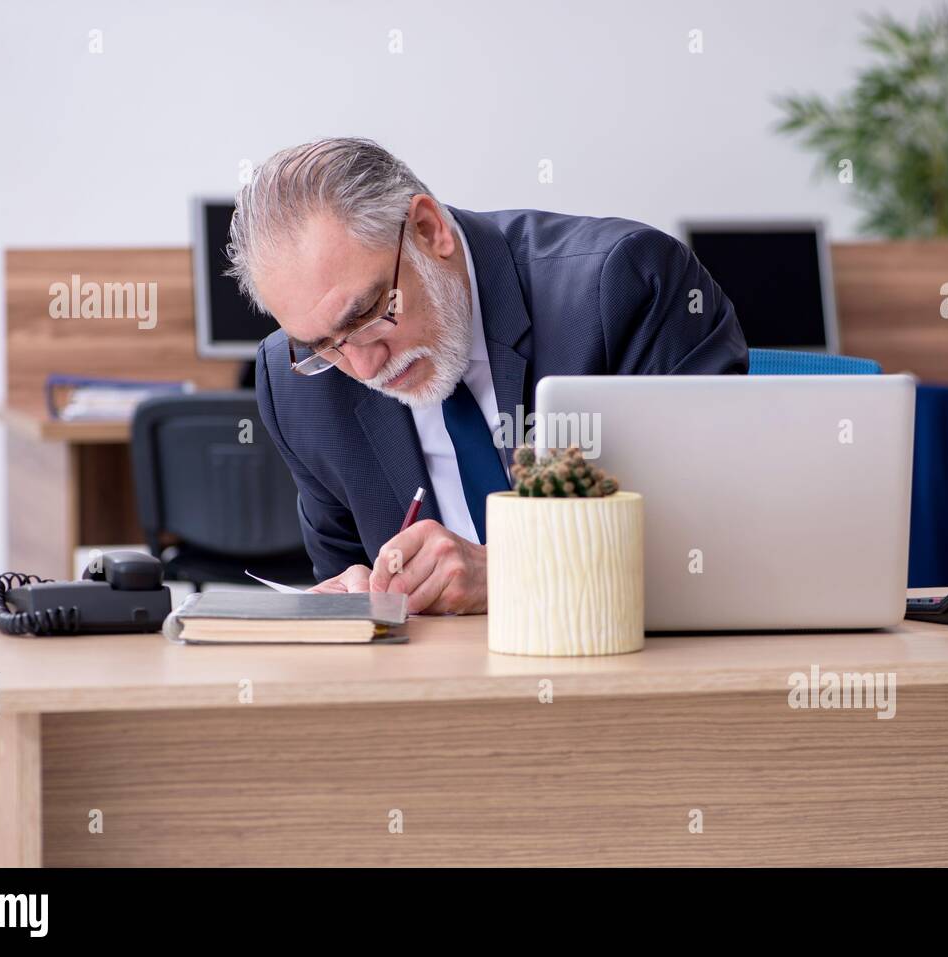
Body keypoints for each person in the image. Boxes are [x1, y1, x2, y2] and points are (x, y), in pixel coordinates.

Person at [227, 137, 747, 613]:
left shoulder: (623, 285)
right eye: (322, 345)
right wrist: (352, 593)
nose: (364, 367)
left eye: (367, 315)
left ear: (430, 231)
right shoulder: (297, 382)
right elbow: (340, 571)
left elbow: (716, 539)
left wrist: (514, 572)